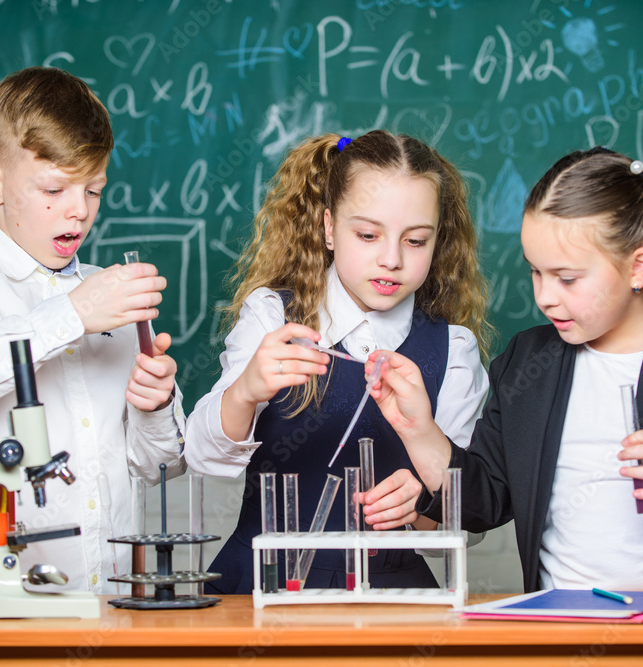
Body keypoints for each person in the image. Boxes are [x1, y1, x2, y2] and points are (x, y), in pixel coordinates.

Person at [368, 147, 643, 594]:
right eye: (536, 272)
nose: (546, 297)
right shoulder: (529, 361)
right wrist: (419, 431)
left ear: (638, 267)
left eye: (568, 278)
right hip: (568, 624)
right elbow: (483, 502)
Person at [0, 67, 186, 593]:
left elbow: (158, 465)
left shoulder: (109, 292)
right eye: (54, 188)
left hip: (115, 595)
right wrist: (71, 315)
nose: (78, 211)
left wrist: (154, 406)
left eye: (93, 190)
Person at [185, 130, 492, 593]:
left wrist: (426, 500)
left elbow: (459, 529)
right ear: (329, 228)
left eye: (415, 241)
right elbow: (203, 456)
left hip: (391, 595)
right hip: (260, 584)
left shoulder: (453, 351)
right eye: (367, 234)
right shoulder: (272, 316)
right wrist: (246, 390)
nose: (390, 259)